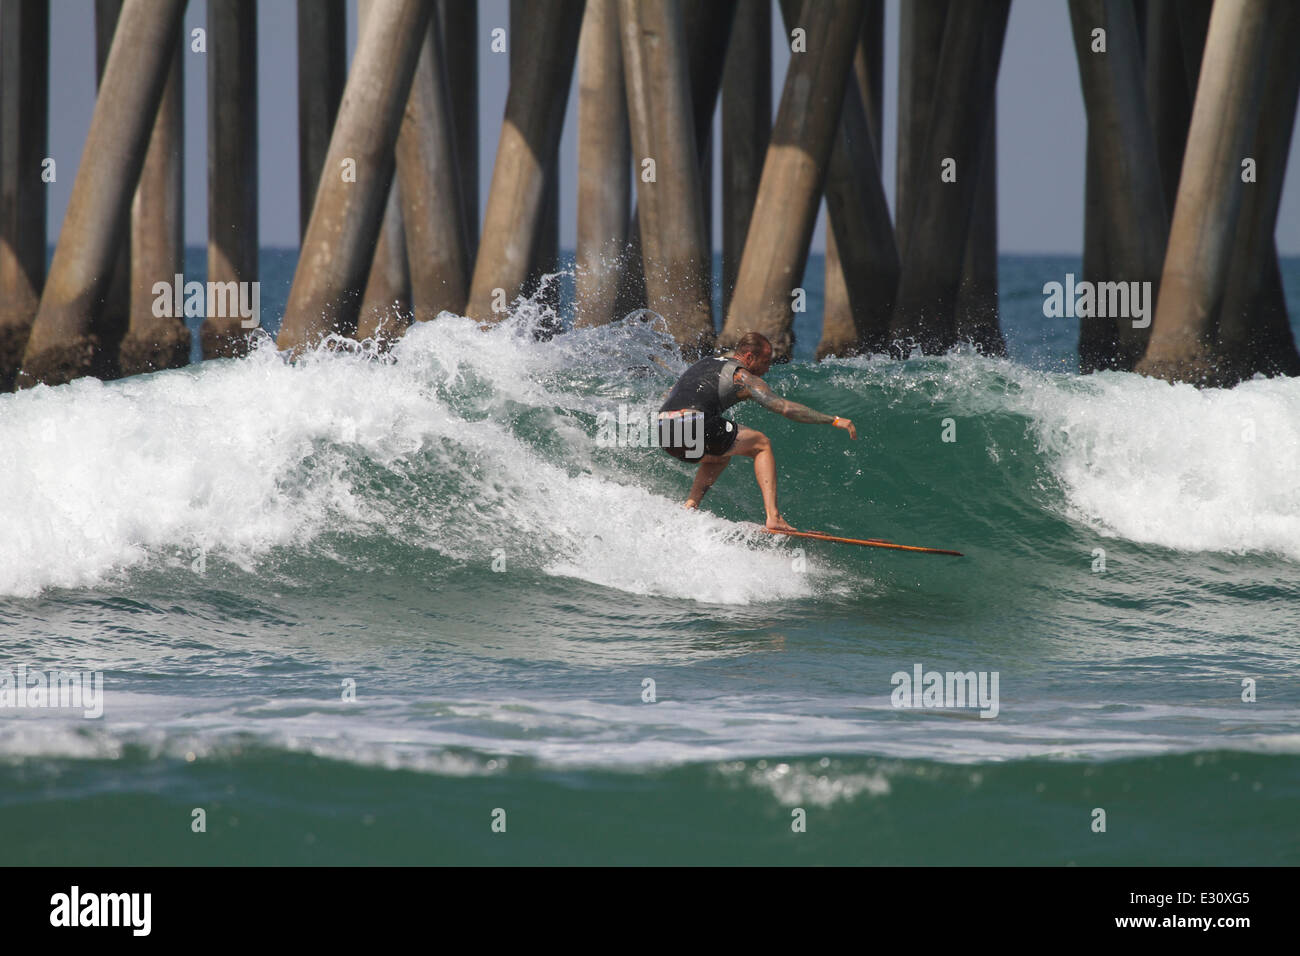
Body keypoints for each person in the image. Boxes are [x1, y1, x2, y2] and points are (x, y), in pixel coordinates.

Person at [656, 331, 856, 531]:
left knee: (720, 455)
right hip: (695, 423)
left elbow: (670, 393)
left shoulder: (703, 364)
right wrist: (833, 420)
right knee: (761, 444)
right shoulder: (743, 377)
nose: (768, 369)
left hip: (664, 429)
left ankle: (691, 505)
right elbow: (784, 408)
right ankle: (774, 517)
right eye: (766, 361)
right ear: (749, 357)